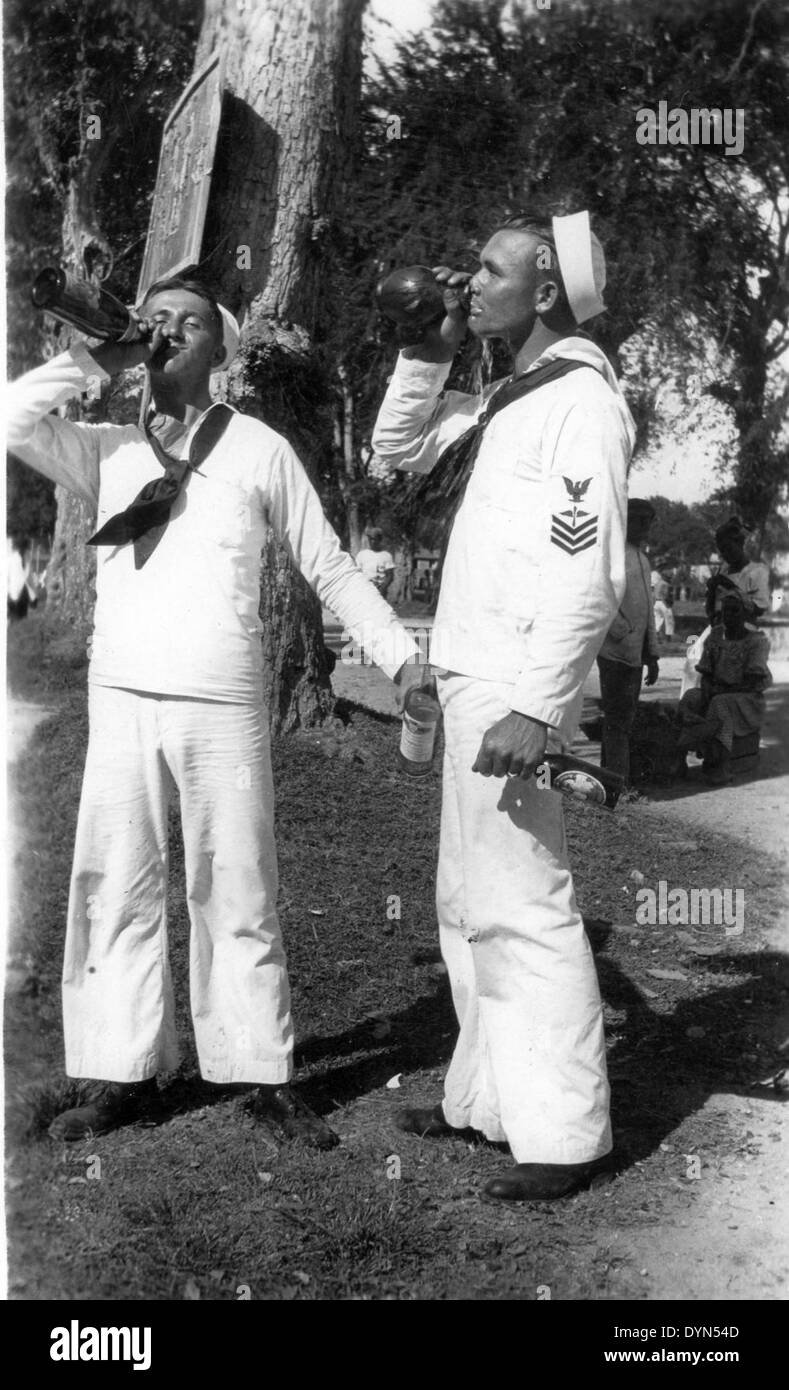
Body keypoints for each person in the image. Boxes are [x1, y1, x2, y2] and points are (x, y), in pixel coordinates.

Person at [7, 276, 422, 1146]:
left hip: (222, 699)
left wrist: (402, 660)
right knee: (113, 883)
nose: (165, 332)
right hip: (121, 695)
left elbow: (331, 565)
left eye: (186, 322)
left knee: (236, 884)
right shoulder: (107, 449)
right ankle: (123, 1071)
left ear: (218, 351)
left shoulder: (259, 448)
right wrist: (92, 357)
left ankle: (259, 1073)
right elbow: (10, 419)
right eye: (153, 319)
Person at [371, 209, 634, 1201]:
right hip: (472, 677)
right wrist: (424, 351)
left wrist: (541, 703)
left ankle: (566, 1132)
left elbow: (588, 569)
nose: (467, 281)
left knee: (525, 901)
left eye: (489, 269)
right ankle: (489, 1102)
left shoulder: (581, 400)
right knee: (465, 903)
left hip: (516, 686)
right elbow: (394, 453)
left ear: (548, 291)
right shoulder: (506, 398)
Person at [676, 589, 771, 784]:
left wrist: (720, 691)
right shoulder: (715, 637)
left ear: (745, 614)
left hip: (747, 698)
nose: (728, 616)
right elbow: (706, 671)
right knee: (691, 697)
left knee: (720, 704)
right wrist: (708, 687)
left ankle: (720, 765)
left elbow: (753, 681)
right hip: (720, 691)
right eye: (726, 611)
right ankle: (677, 760)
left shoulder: (756, 641)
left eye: (734, 611)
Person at [596, 499, 660, 784]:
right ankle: (617, 783)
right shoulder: (612, 555)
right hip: (614, 651)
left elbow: (648, 609)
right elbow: (602, 599)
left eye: (647, 522)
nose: (643, 527)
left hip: (635, 654)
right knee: (617, 719)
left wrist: (653, 654)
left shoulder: (643, 560)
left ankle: (611, 778)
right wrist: (623, 631)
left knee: (624, 719)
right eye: (637, 520)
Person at [706, 516, 769, 626]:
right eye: (722, 551)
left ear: (740, 543)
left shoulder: (757, 571)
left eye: (729, 548)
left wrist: (731, 587)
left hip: (744, 634)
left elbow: (759, 610)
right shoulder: (723, 570)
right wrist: (711, 591)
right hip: (721, 631)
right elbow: (711, 612)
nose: (726, 554)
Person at [355, 526, 395, 598]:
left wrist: (383, 588)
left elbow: (390, 576)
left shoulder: (386, 555)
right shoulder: (362, 554)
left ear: (380, 540)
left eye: (374, 539)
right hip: (364, 590)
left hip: (380, 591)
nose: (372, 541)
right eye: (370, 539)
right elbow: (357, 573)